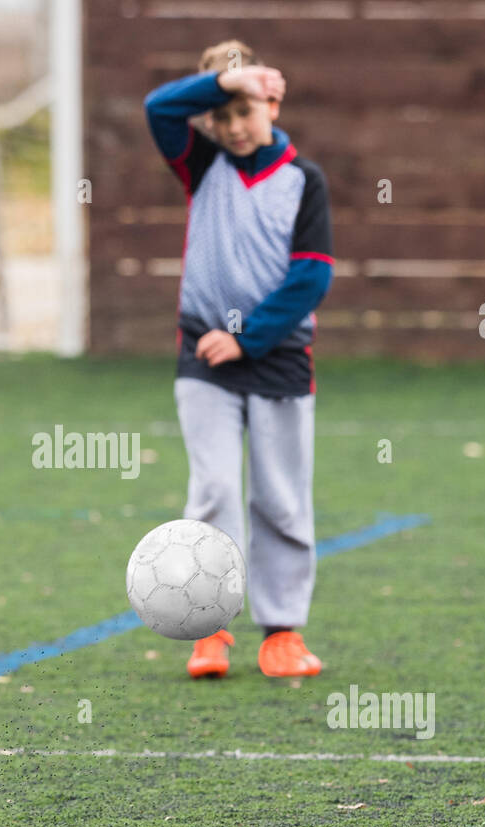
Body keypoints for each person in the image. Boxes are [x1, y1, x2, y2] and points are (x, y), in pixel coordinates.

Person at [143, 41, 335, 680]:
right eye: (220, 115)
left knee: (281, 498)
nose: (232, 128)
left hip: (277, 361)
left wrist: (248, 337)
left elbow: (310, 278)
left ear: (273, 103)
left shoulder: (304, 180)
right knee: (215, 492)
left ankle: (282, 632)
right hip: (203, 359)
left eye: (245, 112)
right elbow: (157, 108)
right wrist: (230, 80)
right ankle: (210, 629)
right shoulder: (202, 165)